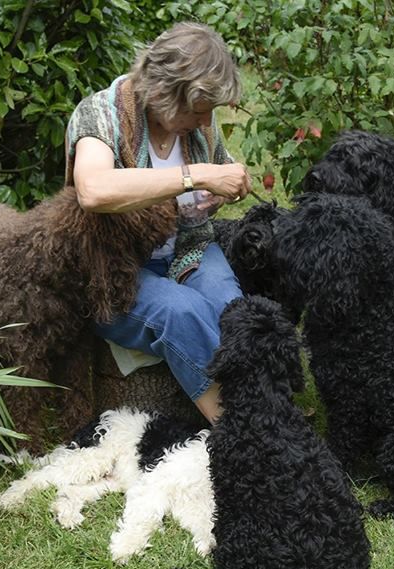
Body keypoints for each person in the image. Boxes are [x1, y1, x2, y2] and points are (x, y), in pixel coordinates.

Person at [64, 22, 252, 424]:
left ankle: (266, 411)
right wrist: (194, 176)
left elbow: (219, 172)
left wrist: (225, 188)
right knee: (182, 313)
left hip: (189, 248)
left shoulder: (198, 126)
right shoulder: (101, 114)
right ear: (166, 92)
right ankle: (241, 431)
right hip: (113, 267)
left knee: (232, 312)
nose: (206, 121)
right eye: (199, 111)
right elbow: (93, 190)